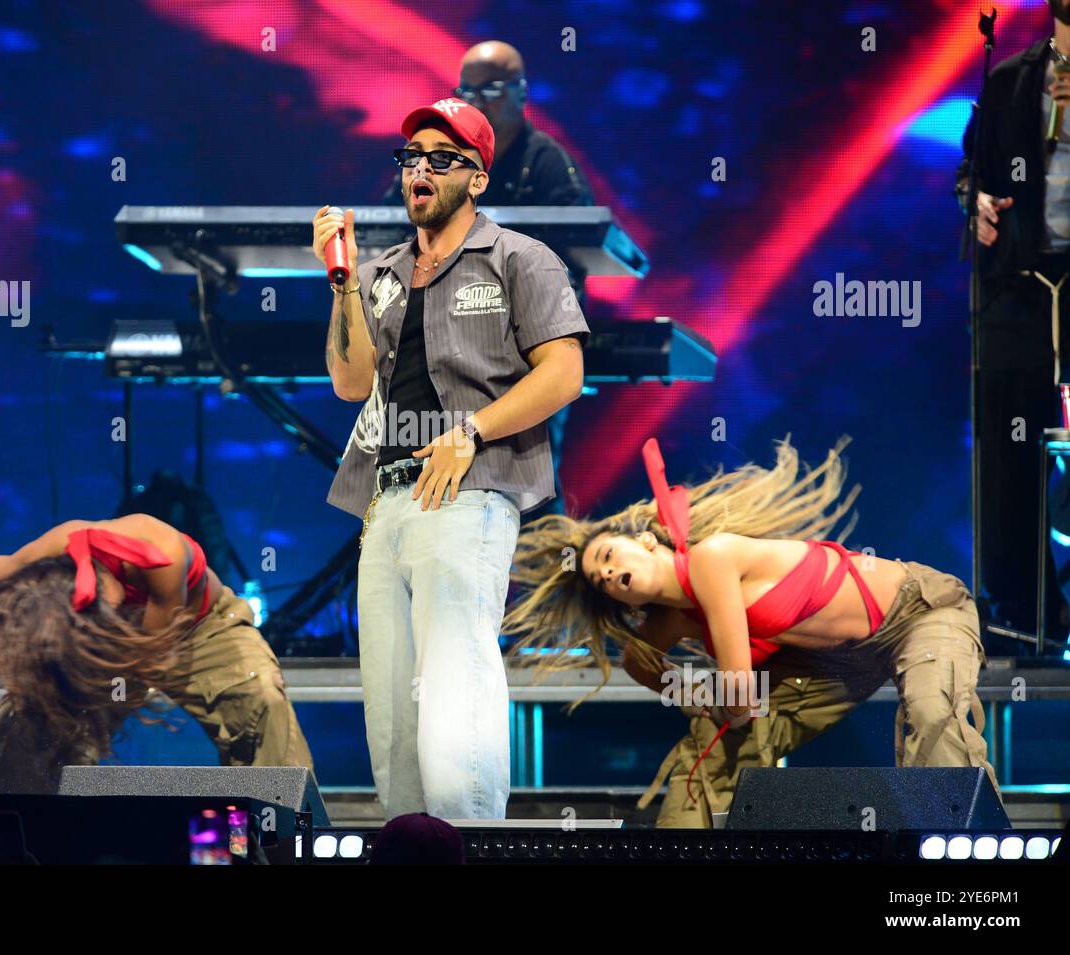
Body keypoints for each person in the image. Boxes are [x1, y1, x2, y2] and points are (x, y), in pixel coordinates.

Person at [315, 98, 589, 819]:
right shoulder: (378, 273)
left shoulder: (520, 259)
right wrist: (341, 282)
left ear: (477, 179)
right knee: (391, 706)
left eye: (442, 158)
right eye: (411, 158)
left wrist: (472, 431)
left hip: (468, 490)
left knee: (452, 685)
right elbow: (349, 382)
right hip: (386, 501)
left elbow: (563, 372)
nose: (421, 170)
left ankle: (470, 844)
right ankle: (411, 847)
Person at [503, 436, 1000, 826]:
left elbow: (739, 693)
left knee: (935, 714)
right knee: (712, 743)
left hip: (920, 612)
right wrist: (695, 695)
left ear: (645, 542)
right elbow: (639, 663)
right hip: (833, 663)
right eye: (601, 581)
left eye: (609, 557)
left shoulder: (711, 557)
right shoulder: (671, 617)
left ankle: (965, 864)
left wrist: (721, 699)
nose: (610, 575)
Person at [0, 513, 313, 793]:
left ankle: (282, 842)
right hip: (96, 651)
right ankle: (19, 842)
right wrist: (6, 648)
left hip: (197, 629)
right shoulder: (34, 564)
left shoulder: (160, 554)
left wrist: (100, 682)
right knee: (25, 721)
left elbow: (149, 657)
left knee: (259, 696)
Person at [381, 40, 594, 516]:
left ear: (522, 92)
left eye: (492, 90)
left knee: (529, 483)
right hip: (447, 331)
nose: (478, 100)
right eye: (467, 90)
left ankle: (534, 578)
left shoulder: (546, 162)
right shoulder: (431, 166)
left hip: (520, 332)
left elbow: (576, 245)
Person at [957, 0, 1070, 644]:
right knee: (1010, 455)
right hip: (1020, 295)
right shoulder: (1008, 80)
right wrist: (973, 203)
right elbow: (972, 170)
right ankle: (1025, 620)